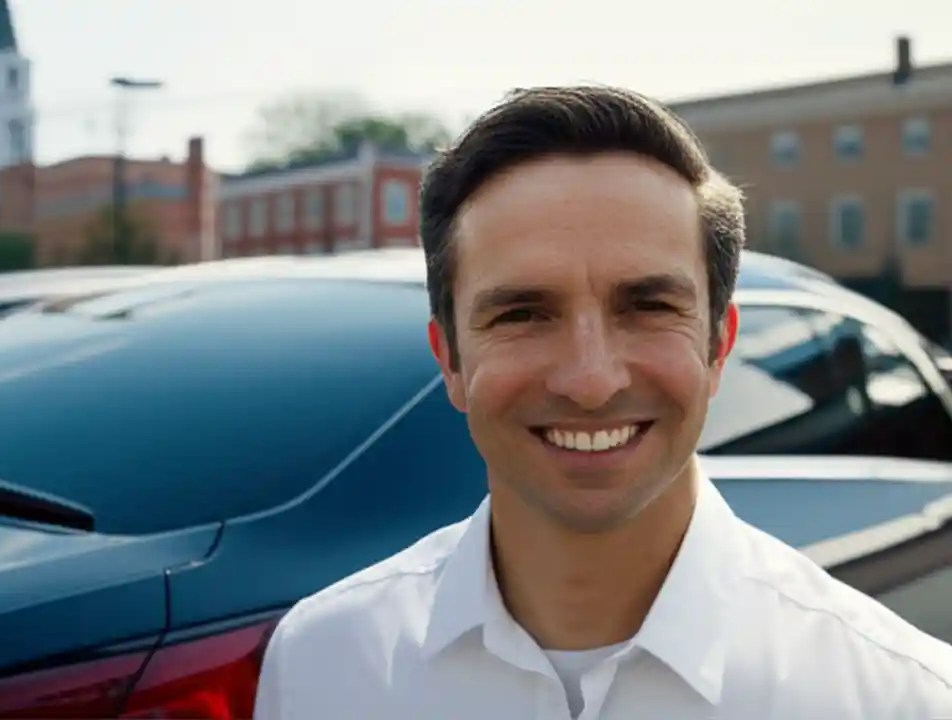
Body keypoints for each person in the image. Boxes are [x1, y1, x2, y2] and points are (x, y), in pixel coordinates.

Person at [252, 85, 952, 719]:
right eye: (523, 314)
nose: (591, 380)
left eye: (648, 306)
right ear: (450, 361)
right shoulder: (324, 665)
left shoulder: (899, 696)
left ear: (718, 347)